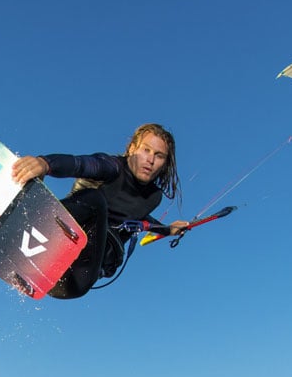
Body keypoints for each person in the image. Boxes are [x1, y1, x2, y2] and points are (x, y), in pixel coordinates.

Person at [11, 123, 189, 299]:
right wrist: (45, 163)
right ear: (132, 149)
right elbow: (80, 164)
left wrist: (167, 229)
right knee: (95, 199)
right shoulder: (112, 167)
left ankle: (36, 243)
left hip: (74, 281)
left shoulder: (153, 197)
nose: (150, 160)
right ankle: (28, 226)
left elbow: (139, 218)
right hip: (60, 236)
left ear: (164, 164)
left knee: (105, 222)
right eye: (146, 150)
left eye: (159, 156)